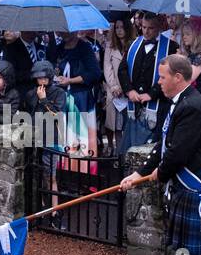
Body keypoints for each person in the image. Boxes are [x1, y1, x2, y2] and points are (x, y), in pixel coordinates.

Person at [121, 54, 201, 255]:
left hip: (197, 185)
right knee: (186, 249)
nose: (158, 82)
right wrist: (139, 173)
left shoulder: (192, 107)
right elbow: (164, 143)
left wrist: (160, 173)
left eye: (162, 77)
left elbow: (178, 152)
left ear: (178, 77)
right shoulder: (181, 102)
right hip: (188, 184)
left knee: (193, 251)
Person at [118, 14, 173, 150]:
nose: (146, 31)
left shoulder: (170, 47)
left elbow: (169, 76)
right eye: (144, 27)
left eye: (151, 28)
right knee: (131, 148)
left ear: (158, 27)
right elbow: (122, 70)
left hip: (158, 106)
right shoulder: (133, 44)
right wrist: (129, 90)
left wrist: (151, 94)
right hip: (134, 104)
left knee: (151, 148)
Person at [48, 30, 103, 157]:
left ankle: (80, 164)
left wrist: (70, 81)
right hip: (61, 98)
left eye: (68, 31)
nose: (64, 33)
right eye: (62, 31)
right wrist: (56, 76)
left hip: (80, 98)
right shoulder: (58, 48)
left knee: (79, 136)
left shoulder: (85, 48)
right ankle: (62, 164)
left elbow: (95, 73)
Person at [102, 16, 134, 155]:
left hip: (129, 90)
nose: (119, 30)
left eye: (122, 27)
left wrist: (125, 87)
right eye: (117, 28)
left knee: (129, 125)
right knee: (116, 125)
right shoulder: (110, 46)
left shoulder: (134, 44)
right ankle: (119, 154)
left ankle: (127, 154)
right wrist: (114, 86)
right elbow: (107, 67)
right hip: (114, 92)